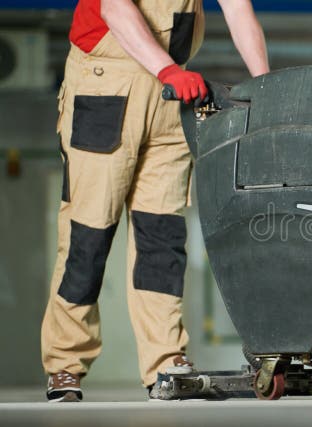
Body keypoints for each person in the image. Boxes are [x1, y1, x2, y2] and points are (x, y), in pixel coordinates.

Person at [40, 0, 269, 402]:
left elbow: (237, 9)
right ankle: (64, 362)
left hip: (171, 92)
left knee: (161, 237)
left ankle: (165, 361)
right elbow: (113, 8)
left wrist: (267, 89)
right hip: (106, 83)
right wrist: (165, 69)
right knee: (87, 236)